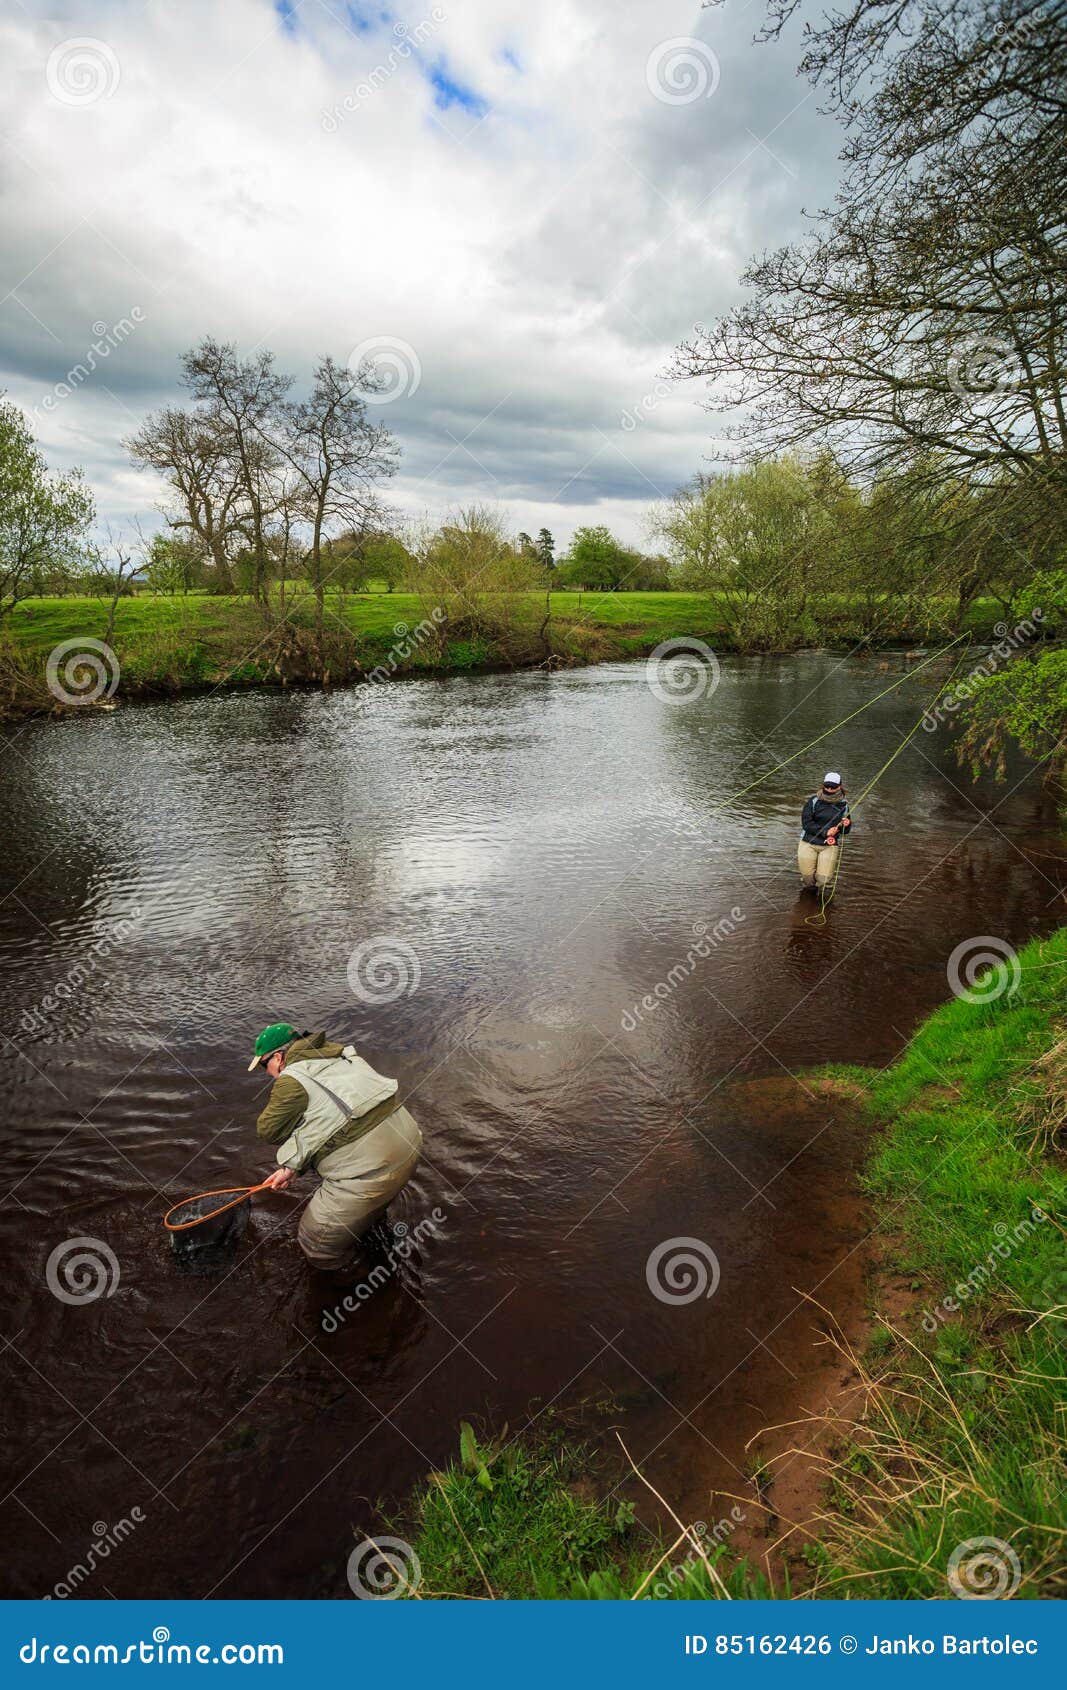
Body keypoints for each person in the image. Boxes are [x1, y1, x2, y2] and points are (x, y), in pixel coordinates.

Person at [248, 1022, 422, 1272]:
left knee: (316, 1245)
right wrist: (293, 1168)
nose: (267, 1073)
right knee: (370, 1216)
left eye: (265, 1065)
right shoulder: (339, 1055)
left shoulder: (291, 1079)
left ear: (278, 1056)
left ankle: (365, 1290)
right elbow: (334, 1118)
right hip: (410, 1142)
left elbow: (268, 1131)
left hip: (372, 1169)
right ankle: (375, 1241)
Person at [797, 770, 853, 893]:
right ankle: (807, 902)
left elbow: (845, 831)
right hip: (808, 842)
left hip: (829, 845)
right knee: (808, 878)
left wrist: (846, 825)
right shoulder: (813, 801)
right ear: (823, 785)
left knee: (824, 879)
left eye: (832, 787)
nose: (829, 789)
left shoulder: (844, 805)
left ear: (839, 786)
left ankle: (826, 901)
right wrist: (825, 832)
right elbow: (806, 824)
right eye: (826, 786)